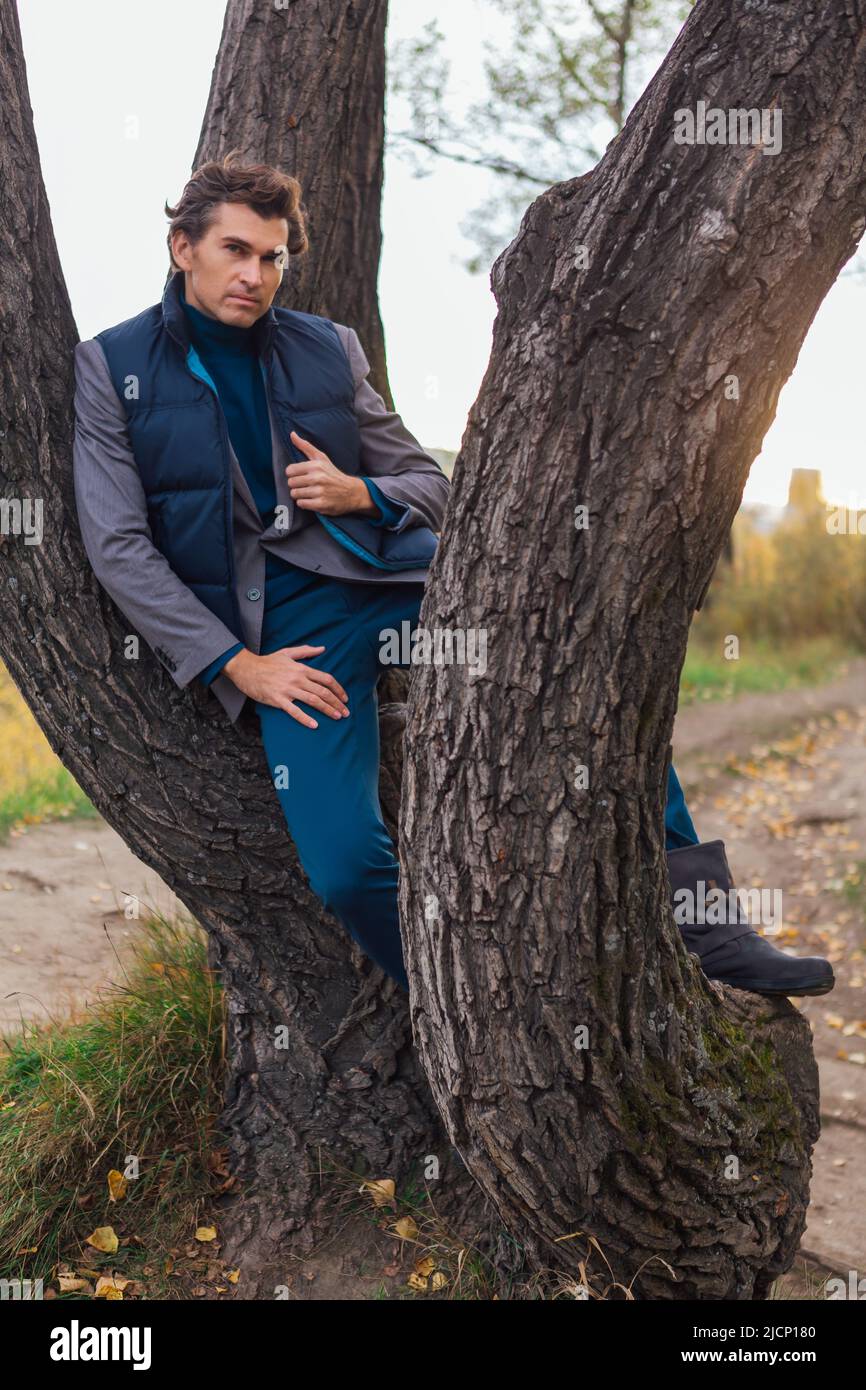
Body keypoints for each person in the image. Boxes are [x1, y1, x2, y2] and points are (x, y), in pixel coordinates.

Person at [72, 153, 833, 998]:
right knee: (345, 869)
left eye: (274, 257)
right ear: (183, 248)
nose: (256, 276)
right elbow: (118, 546)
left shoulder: (328, 349)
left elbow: (431, 484)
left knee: (581, 659)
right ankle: (479, 1010)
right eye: (236, 251)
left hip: (393, 584)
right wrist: (236, 665)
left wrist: (361, 491)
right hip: (281, 639)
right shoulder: (112, 367)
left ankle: (708, 927)